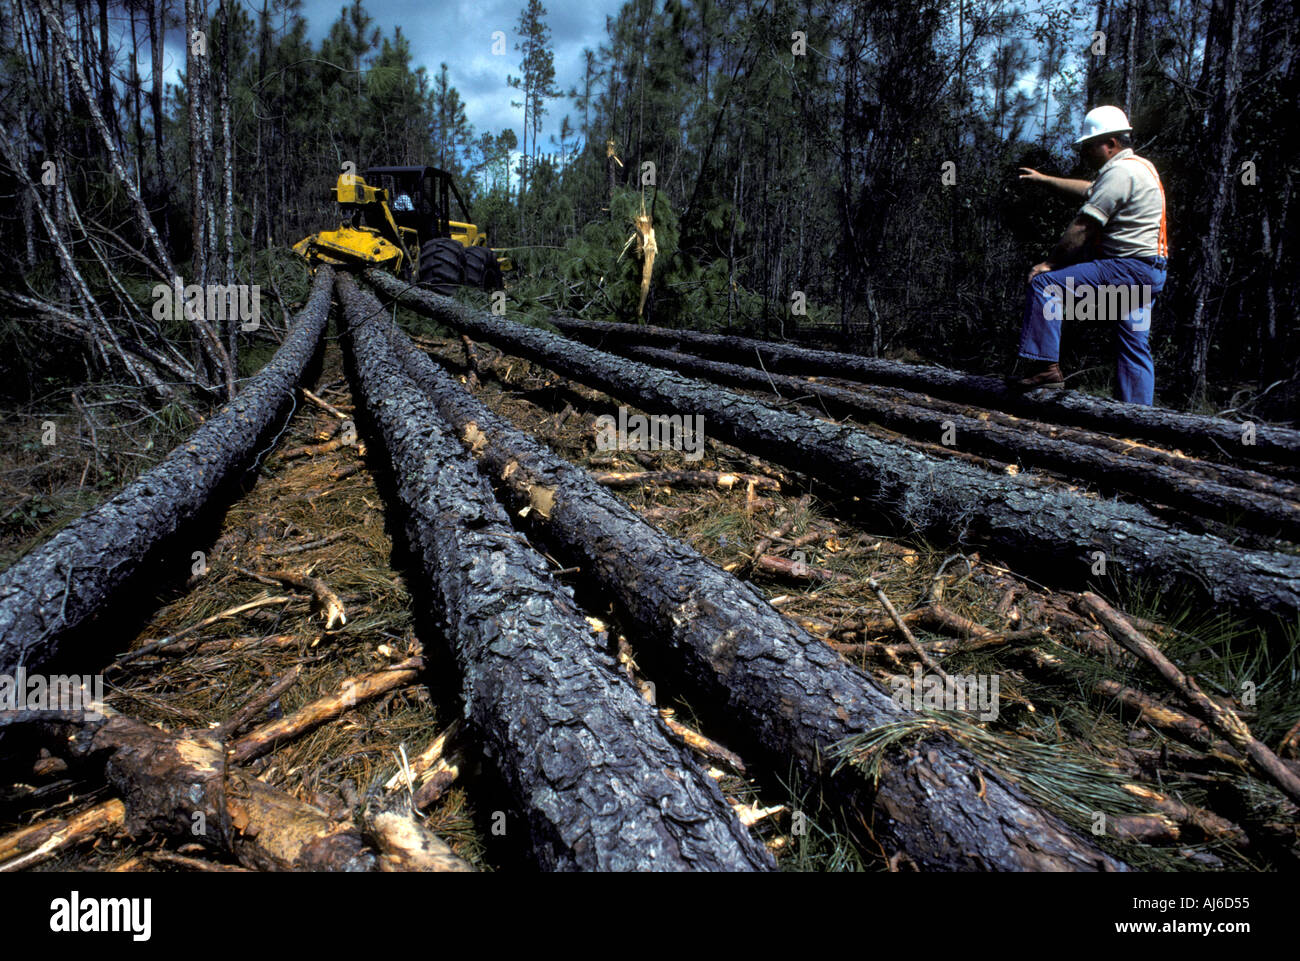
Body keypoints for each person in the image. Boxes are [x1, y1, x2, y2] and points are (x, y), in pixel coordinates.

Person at [1010, 105, 1169, 405]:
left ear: (1110, 144)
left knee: (1046, 285)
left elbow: (1083, 227)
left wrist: (1050, 264)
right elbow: (1090, 190)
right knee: (1133, 345)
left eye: (1090, 145)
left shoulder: (1120, 172)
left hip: (1128, 269)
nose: (1085, 152)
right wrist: (1044, 179)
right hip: (1149, 273)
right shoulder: (1137, 168)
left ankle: (1045, 368)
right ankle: (1140, 421)